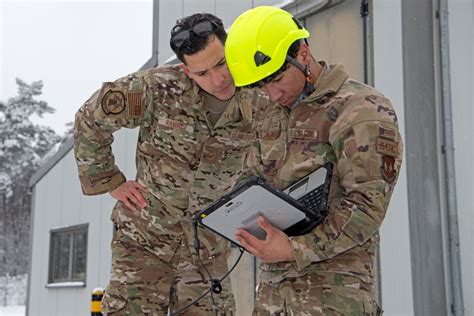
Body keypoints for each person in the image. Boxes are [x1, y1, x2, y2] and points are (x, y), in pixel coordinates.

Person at [74, 12, 271, 315]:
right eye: (202, 73)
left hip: (207, 251)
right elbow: (90, 118)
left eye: (221, 63)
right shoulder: (157, 88)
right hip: (144, 243)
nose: (218, 80)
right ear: (186, 71)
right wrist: (109, 180)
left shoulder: (260, 96)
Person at [225, 6, 403, 315]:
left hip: (333, 295)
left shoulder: (360, 109)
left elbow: (366, 206)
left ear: (304, 54)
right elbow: (252, 177)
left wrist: (293, 249)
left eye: (277, 78)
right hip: (272, 295)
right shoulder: (272, 116)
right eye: (259, 86)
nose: (272, 94)